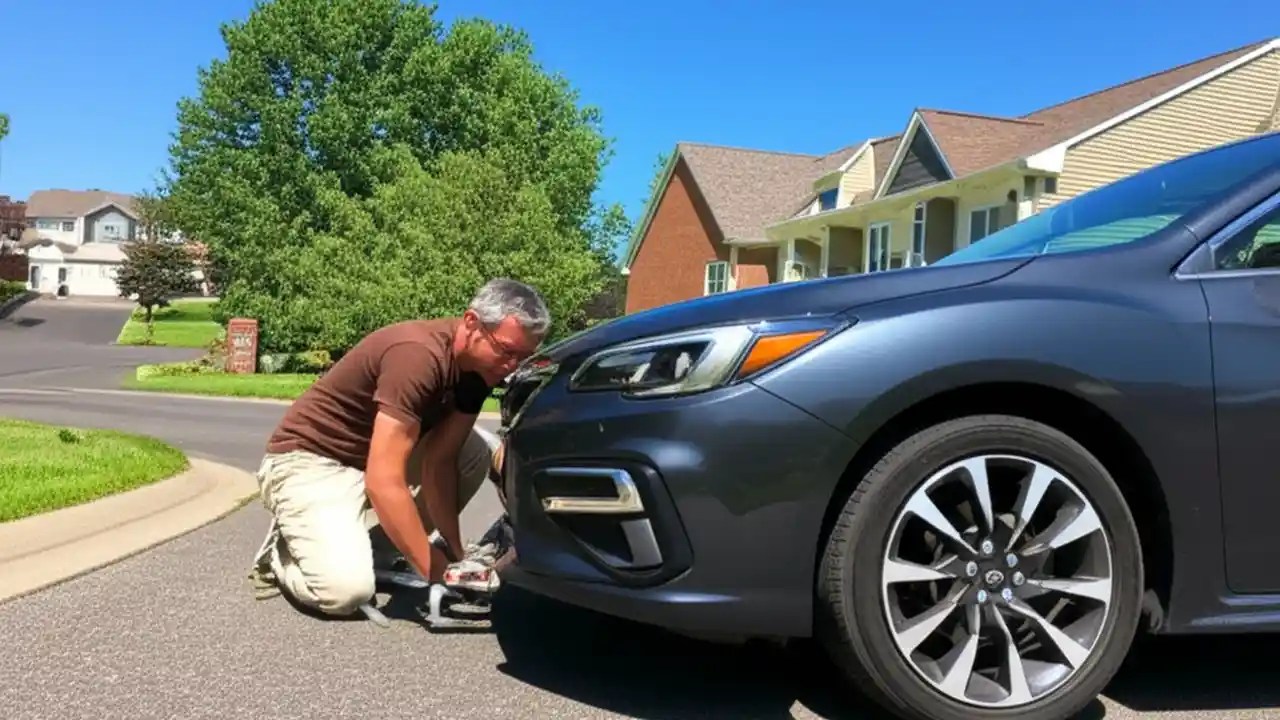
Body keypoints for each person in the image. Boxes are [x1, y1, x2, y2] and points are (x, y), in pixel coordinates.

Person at [247, 278, 548, 617]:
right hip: (311, 460)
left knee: (473, 452)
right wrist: (435, 572)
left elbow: (442, 462)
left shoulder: (480, 372)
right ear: (471, 323)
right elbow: (384, 479)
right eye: (506, 351)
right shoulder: (418, 355)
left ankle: (376, 552)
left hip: (370, 459)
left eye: (524, 357)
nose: (512, 367)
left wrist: (453, 552)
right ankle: (282, 554)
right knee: (345, 593)